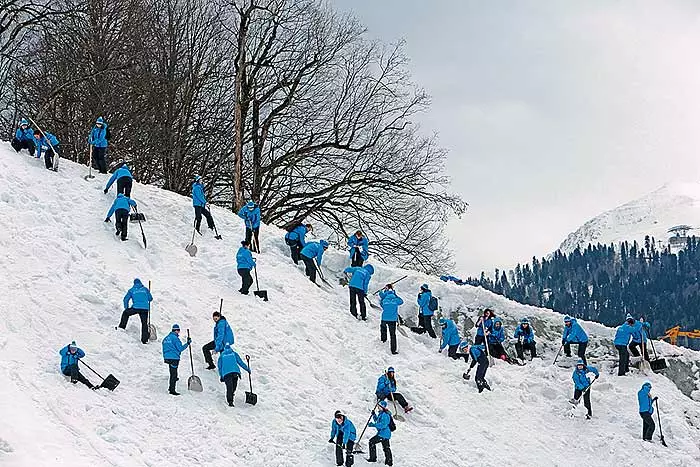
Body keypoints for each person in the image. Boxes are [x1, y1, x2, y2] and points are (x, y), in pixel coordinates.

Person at [118, 278, 153, 344]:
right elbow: (150, 299)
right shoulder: (145, 289)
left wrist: (126, 308)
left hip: (136, 307)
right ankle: (144, 340)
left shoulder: (131, 290)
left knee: (126, 313)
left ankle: (122, 327)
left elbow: (125, 299)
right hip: (145, 308)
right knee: (144, 323)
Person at [162, 324, 191, 395]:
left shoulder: (166, 338)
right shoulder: (175, 339)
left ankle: (173, 382)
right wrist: (188, 343)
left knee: (172, 372)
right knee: (173, 374)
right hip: (174, 358)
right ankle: (172, 390)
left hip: (167, 357)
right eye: (178, 330)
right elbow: (180, 348)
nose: (179, 332)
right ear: (176, 330)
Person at [379, 284, 404, 355]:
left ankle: (383, 341)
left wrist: (382, 293)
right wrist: (395, 294)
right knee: (393, 334)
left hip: (384, 318)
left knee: (383, 330)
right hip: (393, 319)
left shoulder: (384, 299)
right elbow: (401, 301)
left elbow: (381, 304)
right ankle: (393, 350)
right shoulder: (396, 300)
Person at [366, 400, 393, 466]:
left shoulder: (385, 415)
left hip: (383, 434)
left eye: (379, 406)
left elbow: (383, 425)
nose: (378, 407)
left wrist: (373, 425)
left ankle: (373, 458)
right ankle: (389, 461)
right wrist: (374, 415)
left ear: (382, 407)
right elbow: (378, 421)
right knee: (386, 447)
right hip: (385, 434)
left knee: (371, 442)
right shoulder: (381, 414)